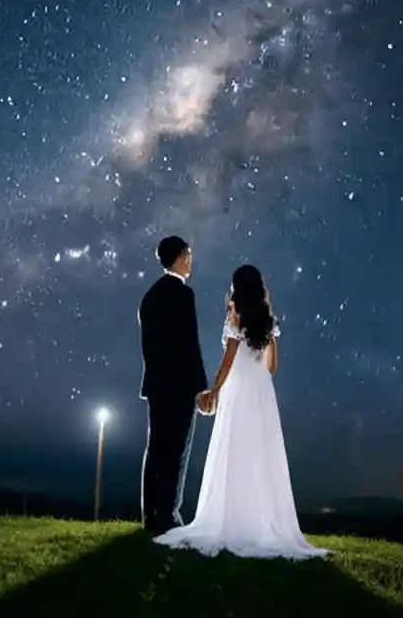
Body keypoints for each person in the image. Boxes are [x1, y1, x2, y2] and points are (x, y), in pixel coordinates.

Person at [154, 264, 327, 559]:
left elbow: (229, 358)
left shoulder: (236, 316)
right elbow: (271, 366)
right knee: (261, 453)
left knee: (233, 450)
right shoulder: (268, 320)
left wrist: (215, 389)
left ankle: (231, 518)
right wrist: (258, 376)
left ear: (237, 287)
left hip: (239, 387)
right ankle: (261, 522)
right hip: (261, 389)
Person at [137, 236, 209, 535]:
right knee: (176, 451)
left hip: (156, 386)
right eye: (188, 254)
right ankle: (168, 516)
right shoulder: (182, 294)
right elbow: (188, 344)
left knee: (156, 450)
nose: (191, 260)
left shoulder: (149, 296)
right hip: (179, 386)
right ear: (179, 257)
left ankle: (151, 515)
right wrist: (201, 387)